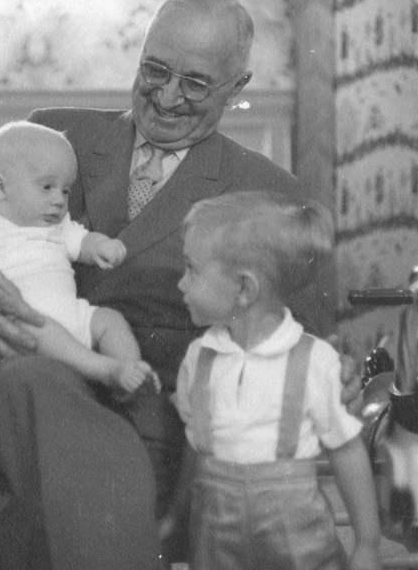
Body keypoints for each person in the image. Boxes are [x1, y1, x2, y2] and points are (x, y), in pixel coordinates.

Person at [0, 0, 361, 569]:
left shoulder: (268, 191)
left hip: (153, 404)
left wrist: (340, 375)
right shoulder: (52, 137)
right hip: (8, 383)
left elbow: (301, 335)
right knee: (37, 383)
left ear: (236, 90)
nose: (165, 95)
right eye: (155, 69)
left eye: (194, 83)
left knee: (96, 461)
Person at [163, 191, 381, 570]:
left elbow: (347, 452)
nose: (181, 283)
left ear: (244, 290)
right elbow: (195, 450)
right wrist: (176, 520)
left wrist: (367, 543)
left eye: (191, 270)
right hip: (214, 539)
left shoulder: (315, 362)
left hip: (297, 540)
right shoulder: (199, 358)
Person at [0, 121, 159, 395]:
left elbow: (84, 243)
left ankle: (132, 375)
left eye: (65, 190)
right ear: (0, 188)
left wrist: (103, 246)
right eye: (47, 187)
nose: (59, 200)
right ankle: (108, 371)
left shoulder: (58, 226)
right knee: (42, 328)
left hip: (70, 319)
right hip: (16, 334)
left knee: (110, 320)